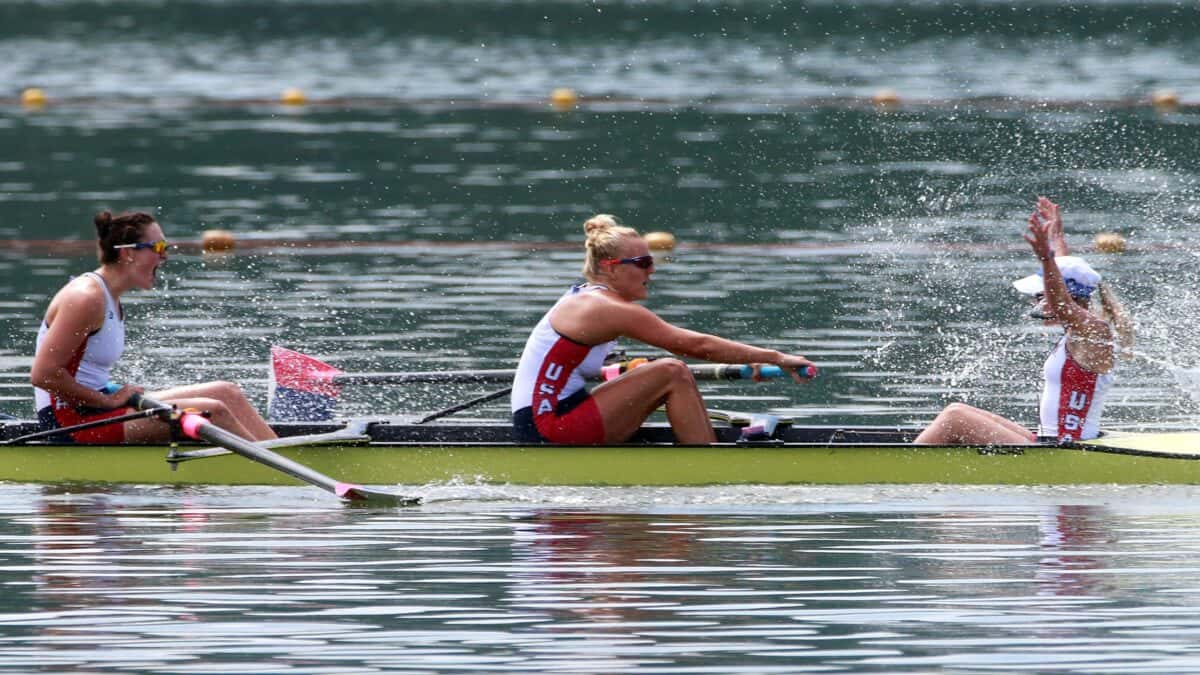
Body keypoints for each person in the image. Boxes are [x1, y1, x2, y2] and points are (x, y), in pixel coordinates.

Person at [511, 214, 817, 445]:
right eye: (643, 262)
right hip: (549, 427)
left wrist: (626, 370)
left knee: (665, 371)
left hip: (558, 413)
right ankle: (707, 466)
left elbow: (572, 368)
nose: (652, 270)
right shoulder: (602, 308)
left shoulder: (584, 297)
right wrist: (776, 357)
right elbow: (695, 345)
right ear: (610, 266)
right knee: (672, 371)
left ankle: (700, 450)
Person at [30, 210, 277, 443]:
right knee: (213, 411)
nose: (164, 256)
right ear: (128, 253)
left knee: (226, 393)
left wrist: (109, 399)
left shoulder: (107, 296)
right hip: (70, 421)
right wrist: (107, 401)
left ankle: (286, 457)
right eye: (158, 247)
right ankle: (281, 475)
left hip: (95, 406)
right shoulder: (86, 298)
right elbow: (43, 375)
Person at [915, 197, 1133, 445]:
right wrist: (1056, 237)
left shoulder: (1094, 330)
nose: (1037, 303)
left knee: (955, 417)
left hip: (1064, 450)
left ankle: (904, 469)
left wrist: (1047, 260)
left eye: (1041, 295)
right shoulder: (1082, 328)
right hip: (1054, 442)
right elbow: (1067, 287)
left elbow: (1062, 301)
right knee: (957, 408)